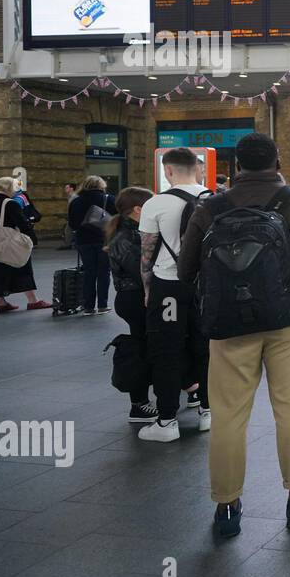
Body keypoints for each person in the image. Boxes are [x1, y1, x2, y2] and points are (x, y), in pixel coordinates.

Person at [177, 133, 290, 539]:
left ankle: (226, 507)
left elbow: (186, 270)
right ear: (277, 160)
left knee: (228, 414)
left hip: (228, 325)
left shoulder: (209, 206)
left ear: (236, 164)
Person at [137, 148, 212, 442]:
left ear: (168, 171)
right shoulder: (215, 200)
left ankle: (167, 420)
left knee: (166, 350)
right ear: (197, 168)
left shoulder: (155, 204)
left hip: (168, 285)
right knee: (205, 348)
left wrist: (147, 289)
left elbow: (146, 253)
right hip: (206, 288)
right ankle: (209, 411)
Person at [105, 186, 157, 423]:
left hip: (136, 298)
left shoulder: (132, 233)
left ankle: (143, 401)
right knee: (141, 350)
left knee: (146, 346)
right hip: (134, 299)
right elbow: (141, 272)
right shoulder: (125, 238)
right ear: (138, 209)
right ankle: (139, 404)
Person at [0, 176, 51, 313]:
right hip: (9, 242)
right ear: (9, 188)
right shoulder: (10, 203)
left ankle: (1, 302)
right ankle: (33, 300)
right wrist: (32, 239)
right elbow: (22, 223)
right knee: (22, 266)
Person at [68, 175, 117, 316]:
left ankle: (88, 306)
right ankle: (102, 305)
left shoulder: (75, 201)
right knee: (104, 272)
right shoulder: (109, 199)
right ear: (102, 186)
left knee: (89, 272)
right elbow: (117, 220)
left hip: (83, 241)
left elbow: (72, 224)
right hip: (104, 240)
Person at [59, 182, 79, 249]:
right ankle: (69, 243)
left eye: (67, 188)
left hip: (74, 217)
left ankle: (68, 244)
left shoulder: (74, 197)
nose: (65, 189)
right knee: (68, 230)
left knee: (68, 229)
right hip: (72, 217)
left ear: (71, 188)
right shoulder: (70, 197)